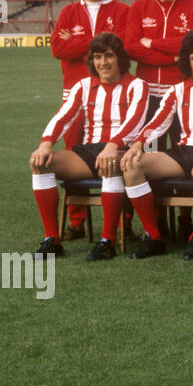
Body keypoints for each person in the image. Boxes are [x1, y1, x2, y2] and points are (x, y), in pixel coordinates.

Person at [120, 31, 193, 260]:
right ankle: (153, 237)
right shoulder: (177, 90)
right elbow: (158, 121)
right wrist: (138, 144)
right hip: (181, 152)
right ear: (187, 61)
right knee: (132, 165)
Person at [29, 34, 148, 261]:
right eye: (98, 57)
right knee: (41, 163)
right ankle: (52, 240)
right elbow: (63, 117)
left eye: (109, 56)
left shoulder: (137, 85)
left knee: (110, 164)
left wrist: (113, 145)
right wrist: (45, 144)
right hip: (88, 151)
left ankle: (107, 241)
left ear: (120, 58)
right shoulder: (83, 85)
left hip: (122, 150)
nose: (103, 62)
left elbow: (135, 121)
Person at [49, 0, 128, 239]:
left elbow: (122, 48)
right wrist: (99, 42)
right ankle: (77, 222)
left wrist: (78, 42)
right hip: (76, 95)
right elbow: (58, 47)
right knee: (73, 156)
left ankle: (124, 223)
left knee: (120, 156)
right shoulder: (68, 12)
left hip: (115, 95)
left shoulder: (121, 10)